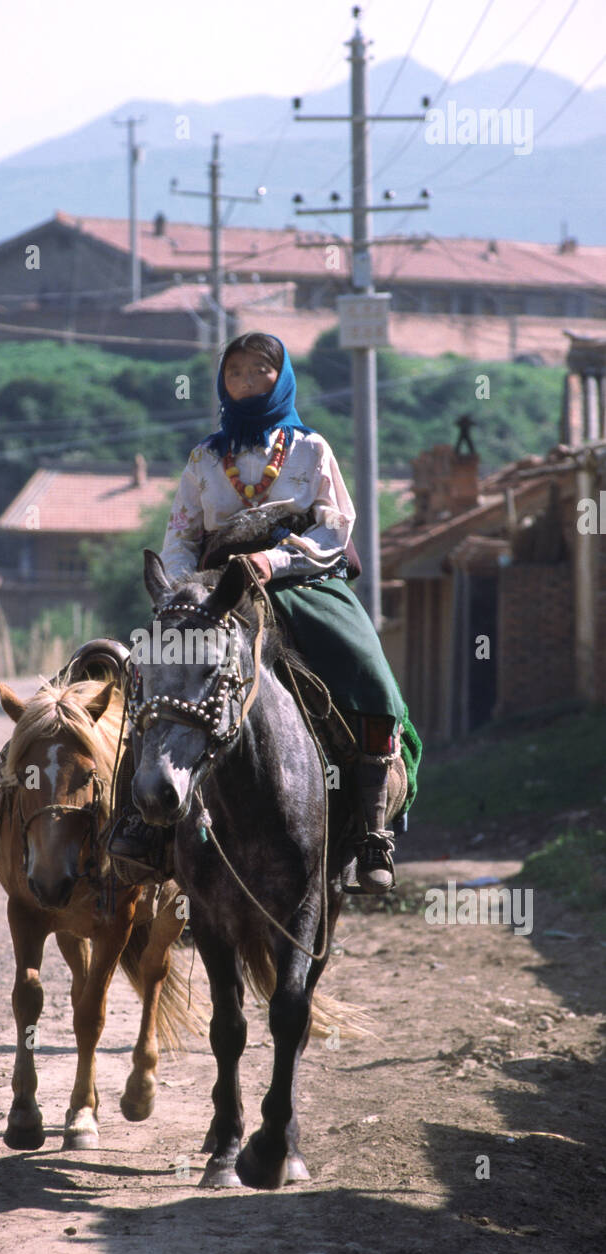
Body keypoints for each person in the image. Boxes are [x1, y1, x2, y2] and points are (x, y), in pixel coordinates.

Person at [109, 331, 420, 893]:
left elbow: (334, 526)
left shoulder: (310, 449)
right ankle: (140, 820)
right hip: (213, 595)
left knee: (371, 677)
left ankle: (373, 830)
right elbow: (181, 534)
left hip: (297, 583)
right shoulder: (205, 457)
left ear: (283, 379)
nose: (246, 382)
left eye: (260, 372)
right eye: (235, 373)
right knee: (150, 676)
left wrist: (276, 562)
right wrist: (184, 591)